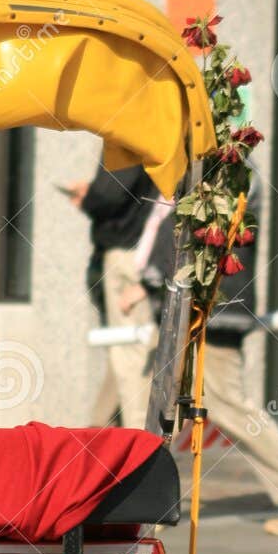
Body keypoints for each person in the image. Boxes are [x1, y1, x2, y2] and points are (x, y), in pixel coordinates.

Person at [145, 182, 278, 538]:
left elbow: (205, 235)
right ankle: (136, 505)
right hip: (196, 306)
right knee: (151, 401)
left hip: (211, 308)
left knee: (229, 405)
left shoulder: (227, 169)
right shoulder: (211, 166)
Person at [68, 161, 161, 429]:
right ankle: (99, 433)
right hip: (139, 249)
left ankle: (138, 442)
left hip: (127, 251)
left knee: (130, 353)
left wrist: (90, 197)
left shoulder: (127, 131)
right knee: (128, 353)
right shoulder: (156, 131)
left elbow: (111, 194)